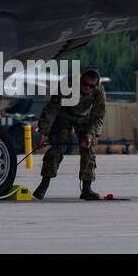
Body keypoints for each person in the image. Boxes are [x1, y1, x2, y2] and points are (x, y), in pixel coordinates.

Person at [33, 68, 106, 201]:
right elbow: (52, 109)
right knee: (58, 147)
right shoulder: (67, 84)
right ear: (80, 80)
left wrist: (90, 136)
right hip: (63, 115)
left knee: (88, 148)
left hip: (84, 118)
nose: (87, 88)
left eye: (91, 86)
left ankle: (86, 189)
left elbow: (98, 117)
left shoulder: (98, 91)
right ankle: (44, 185)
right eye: (85, 84)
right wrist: (44, 133)